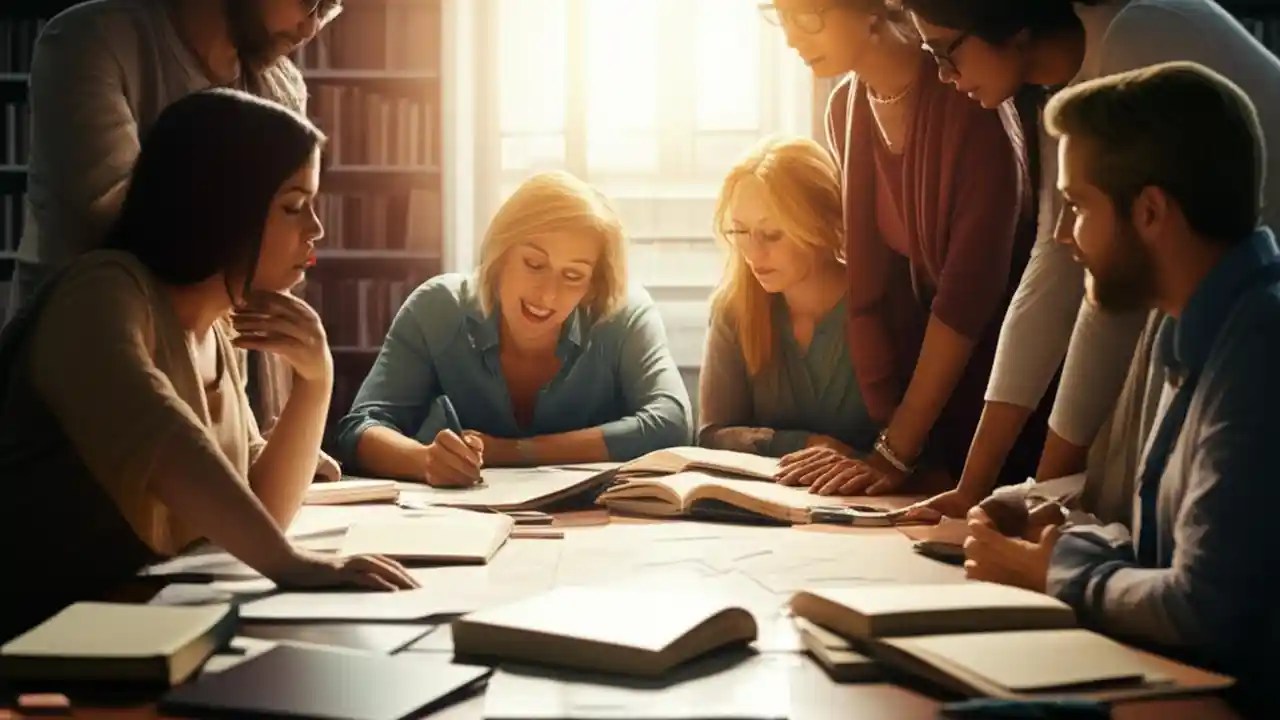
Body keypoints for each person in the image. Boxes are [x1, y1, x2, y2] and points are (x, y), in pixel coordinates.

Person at [0, 89, 417, 643]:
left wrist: (315, 384)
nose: (315, 229)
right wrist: (293, 565)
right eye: (294, 206)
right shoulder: (102, 291)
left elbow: (259, 516)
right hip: (34, 647)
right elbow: (166, 444)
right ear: (222, 207)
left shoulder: (215, 334)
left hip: (132, 633)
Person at [961, 62, 1280, 713]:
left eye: (1077, 206)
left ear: (1151, 211)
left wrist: (1048, 572)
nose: (1062, 234)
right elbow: (1170, 552)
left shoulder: (1262, 346)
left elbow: (1206, 608)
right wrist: (1062, 539)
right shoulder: (1182, 322)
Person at [901, 0, 1280, 519]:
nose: (944, 75)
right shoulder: (1055, 91)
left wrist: (1044, 503)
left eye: (946, 52)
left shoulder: (1136, 36)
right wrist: (974, 487)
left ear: (1005, 22)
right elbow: (1055, 265)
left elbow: (1109, 292)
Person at [12, 0, 345, 439]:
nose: (314, 23)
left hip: (214, 390)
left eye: (332, 7)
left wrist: (266, 439)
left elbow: (259, 271)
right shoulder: (92, 42)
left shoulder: (280, 87)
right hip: (84, 390)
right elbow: (119, 231)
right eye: (310, 1)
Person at [759, 1, 1048, 496]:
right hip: (921, 416)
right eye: (780, 19)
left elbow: (968, 299)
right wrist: (893, 440)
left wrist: (897, 450)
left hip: (1002, 396)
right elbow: (878, 286)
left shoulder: (972, 95)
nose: (790, 39)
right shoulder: (845, 106)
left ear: (872, 9)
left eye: (806, 17)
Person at [333, 171, 692, 487]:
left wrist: (512, 452)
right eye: (534, 263)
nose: (548, 294)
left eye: (573, 276)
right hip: (461, 528)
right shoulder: (438, 309)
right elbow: (358, 430)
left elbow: (671, 422)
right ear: (501, 251)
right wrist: (425, 460)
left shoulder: (623, 314)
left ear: (591, 285)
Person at [698, 137, 874, 457]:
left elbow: (927, 454)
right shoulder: (734, 307)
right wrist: (806, 445)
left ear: (823, 224)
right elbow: (711, 436)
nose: (753, 253)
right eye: (740, 232)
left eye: (772, 234)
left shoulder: (879, 304)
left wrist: (853, 461)